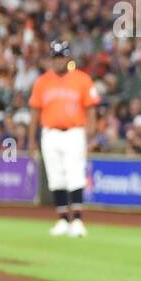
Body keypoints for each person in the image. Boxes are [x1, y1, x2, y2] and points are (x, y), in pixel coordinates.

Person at [27, 40, 99, 237]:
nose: (58, 61)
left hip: (74, 132)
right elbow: (35, 112)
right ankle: (62, 220)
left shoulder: (82, 79)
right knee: (55, 177)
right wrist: (31, 139)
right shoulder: (42, 81)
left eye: (62, 57)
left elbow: (91, 109)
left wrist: (91, 134)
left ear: (68, 58)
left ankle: (77, 220)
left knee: (75, 175)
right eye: (55, 57)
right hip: (50, 133)